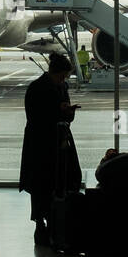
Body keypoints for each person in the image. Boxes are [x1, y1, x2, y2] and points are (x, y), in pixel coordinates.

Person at [19, 53, 81, 246]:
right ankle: (41, 223)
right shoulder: (37, 88)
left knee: (60, 179)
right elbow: (35, 117)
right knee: (42, 183)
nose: (64, 80)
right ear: (54, 72)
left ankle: (55, 221)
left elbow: (59, 115)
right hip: (42, 141)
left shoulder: (59, 86)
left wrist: (67, 113)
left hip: (57, 139)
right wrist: (60, 111)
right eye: (62, 76)